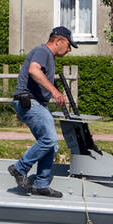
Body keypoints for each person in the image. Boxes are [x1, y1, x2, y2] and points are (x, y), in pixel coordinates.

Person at [9, 26, 77, 198]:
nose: (69, 50)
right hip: (29, 102)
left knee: (51, 145)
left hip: (35, 103)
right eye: (68, 45)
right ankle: (20, 169)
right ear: (59, 41)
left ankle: (41, 184)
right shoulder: (43, 51)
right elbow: (33, 70)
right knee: (49, 139)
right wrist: (54, 91)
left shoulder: (48, 56)